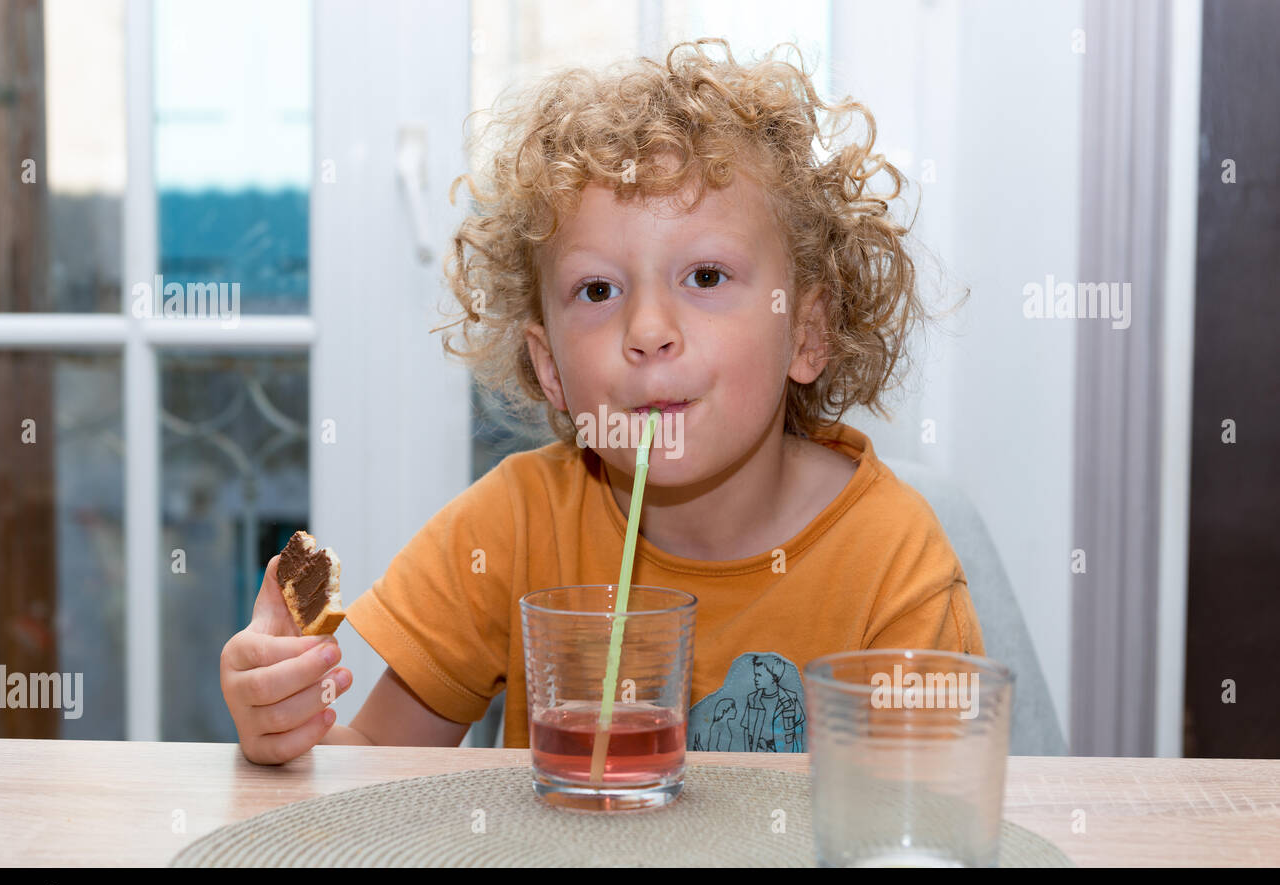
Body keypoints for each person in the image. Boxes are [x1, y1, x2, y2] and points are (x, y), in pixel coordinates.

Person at [221, 38, 984, 766]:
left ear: (807, 333)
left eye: (707, 277)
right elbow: (374, 771)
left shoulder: (894, 565)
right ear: (550, 367)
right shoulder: (515, 526)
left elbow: (923, 822)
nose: (648, 330)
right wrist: (290, 721)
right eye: (597, 290)